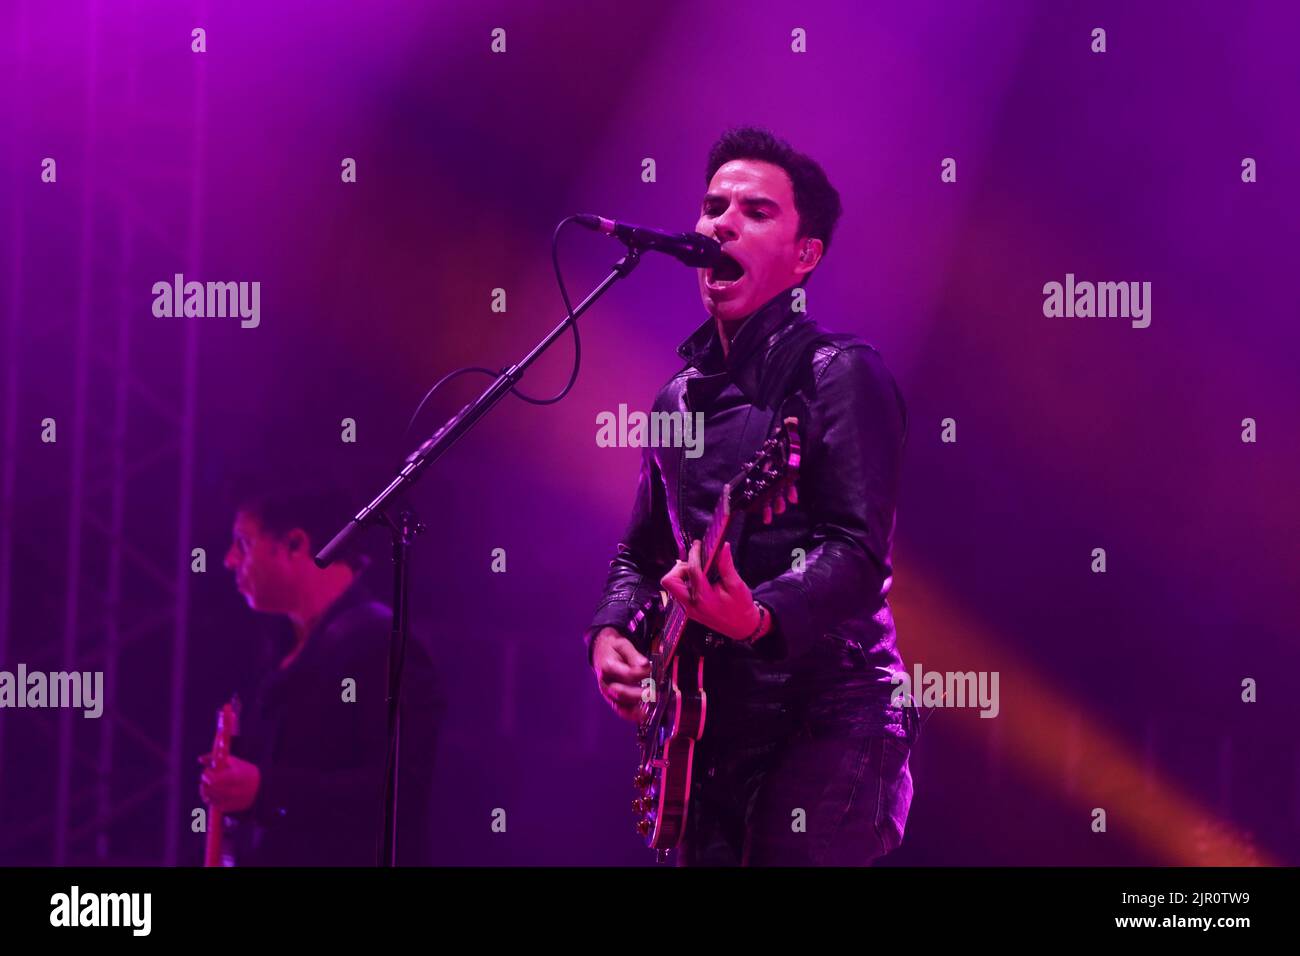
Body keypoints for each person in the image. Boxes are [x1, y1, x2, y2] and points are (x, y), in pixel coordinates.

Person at [586, 127, 918, 865]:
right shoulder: (676, 399)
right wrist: (609, 635)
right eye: (713, 206)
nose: (722, 223)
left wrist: (763, 617)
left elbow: (858, 552)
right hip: (710, 720)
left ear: (806, 256)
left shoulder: (839, 374)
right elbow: (640, 553)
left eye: (756, 211)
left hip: (833, 710)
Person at [201, 486, 440, 865]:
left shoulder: (385, 646)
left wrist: (266, 789)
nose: (230, 561)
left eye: (243, 544)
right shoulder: (280, 648)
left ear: (296, 544)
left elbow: (397, 793)